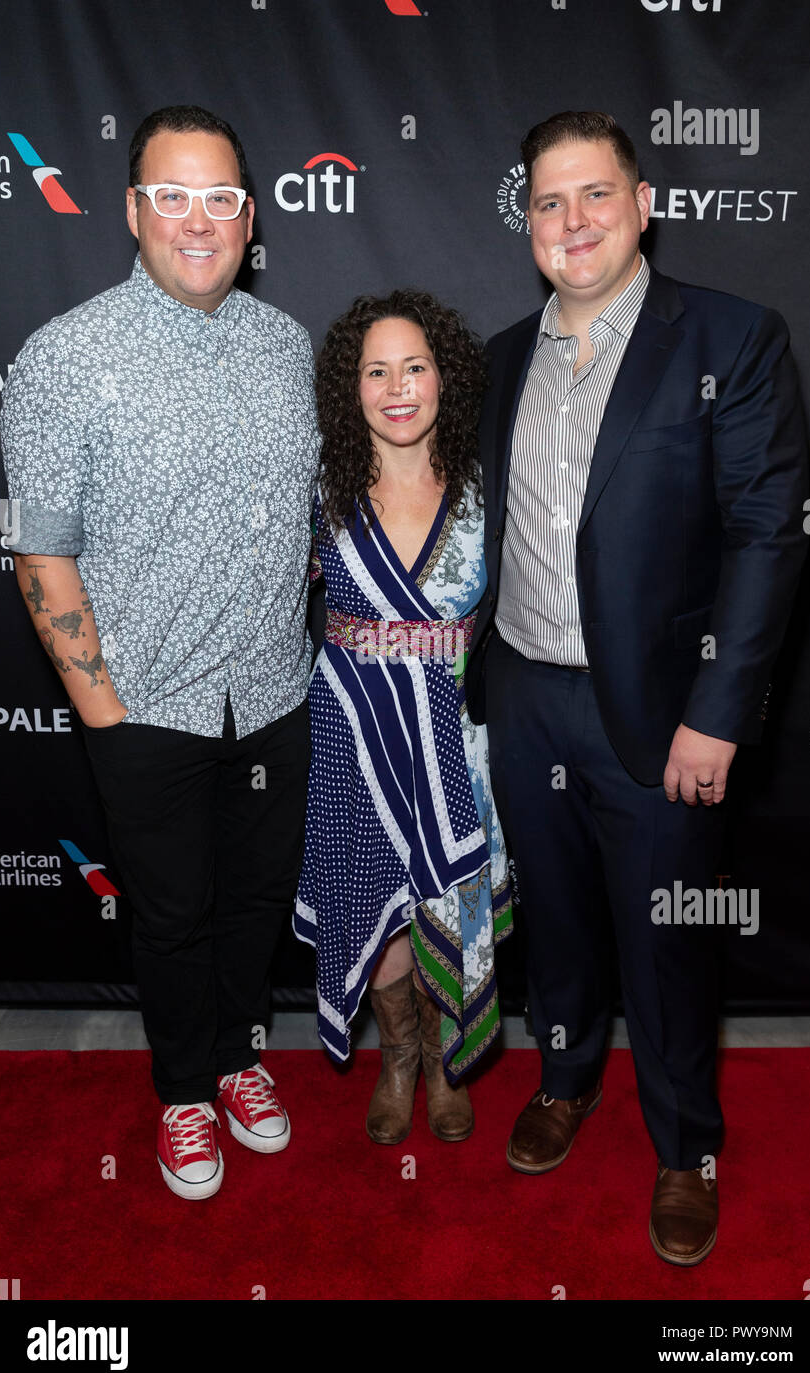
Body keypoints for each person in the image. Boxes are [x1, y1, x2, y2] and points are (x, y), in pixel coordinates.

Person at [466, 112, 808, 1263]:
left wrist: (716, 716)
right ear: (526, 223)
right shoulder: (500, 355)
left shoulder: (731, 336)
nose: (571, 222)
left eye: (593, 196)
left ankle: (682, 1150)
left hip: (660, 716)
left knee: (664, 942)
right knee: (553, 923)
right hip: (522, 696)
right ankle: (563, 1078)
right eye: (548, 203)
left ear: (642, 202)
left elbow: (766, 535)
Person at [0, 105, 318, 1201]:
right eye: (172, 196)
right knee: (172, 912)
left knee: (252, 903)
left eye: (220, 198)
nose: (198, 221)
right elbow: (41, 553)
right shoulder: (66, 357)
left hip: (276, 693)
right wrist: (103, 710)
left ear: (247, 215)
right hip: (145, 708)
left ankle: (238, 1055)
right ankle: (184, 1088)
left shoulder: (287, 349)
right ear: (134, 211)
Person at [293, 290, 513, 1144]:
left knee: (441, 904)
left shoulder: (485, 489)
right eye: (375, 369)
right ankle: (398, 1060)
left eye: (414, 366)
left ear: (443, 377)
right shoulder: (320, 489)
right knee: (372, 908)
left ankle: (451, 1060)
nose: (396, 386)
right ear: (351, 389)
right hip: (350, 730)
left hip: (455, 736)